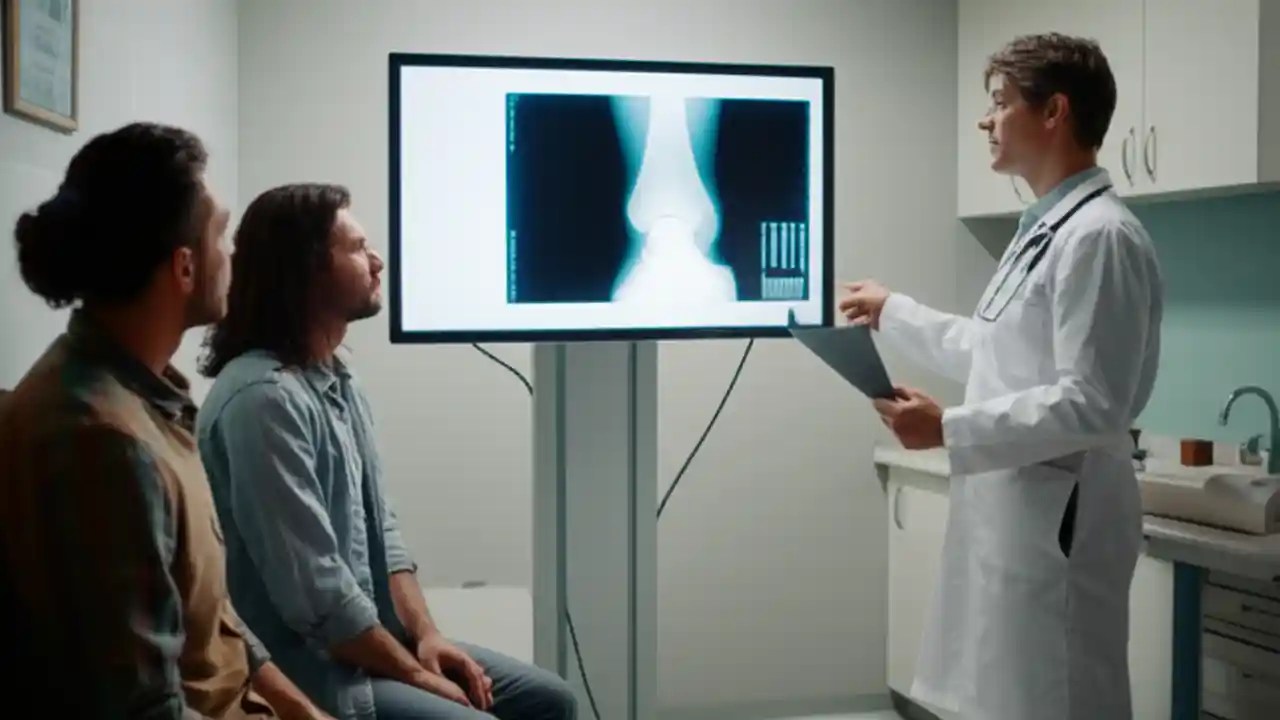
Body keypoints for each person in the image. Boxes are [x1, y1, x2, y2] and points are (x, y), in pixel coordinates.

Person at [841, 33, 1163, 720]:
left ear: (1055, 112)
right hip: (1020, 513)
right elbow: (996, 352)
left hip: (1061, 520)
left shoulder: (1099, 236)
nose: (986, 121)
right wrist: (893, 312)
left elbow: (1094, 403)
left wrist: (949, 428)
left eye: (1000, 103)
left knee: (1061, 695)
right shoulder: (1045, 231)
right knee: (1013, 697)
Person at [194, 183, 578, 720]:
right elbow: (319, 598)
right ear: (305, 269)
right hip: (314, 671)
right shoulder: (264, 402)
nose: (377, 261)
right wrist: (417, 676)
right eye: (356, 247)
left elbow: (386, 543)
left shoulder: (336, 382)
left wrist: (428, 637)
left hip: (370, 648)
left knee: (551, 701)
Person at [0, 123, 330, 720]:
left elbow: (215, 624)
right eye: (221, 234)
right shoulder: (103, 444)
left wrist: (301, 709)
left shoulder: (145, 398)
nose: (232, 255)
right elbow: (145, 709)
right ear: (184, 267)